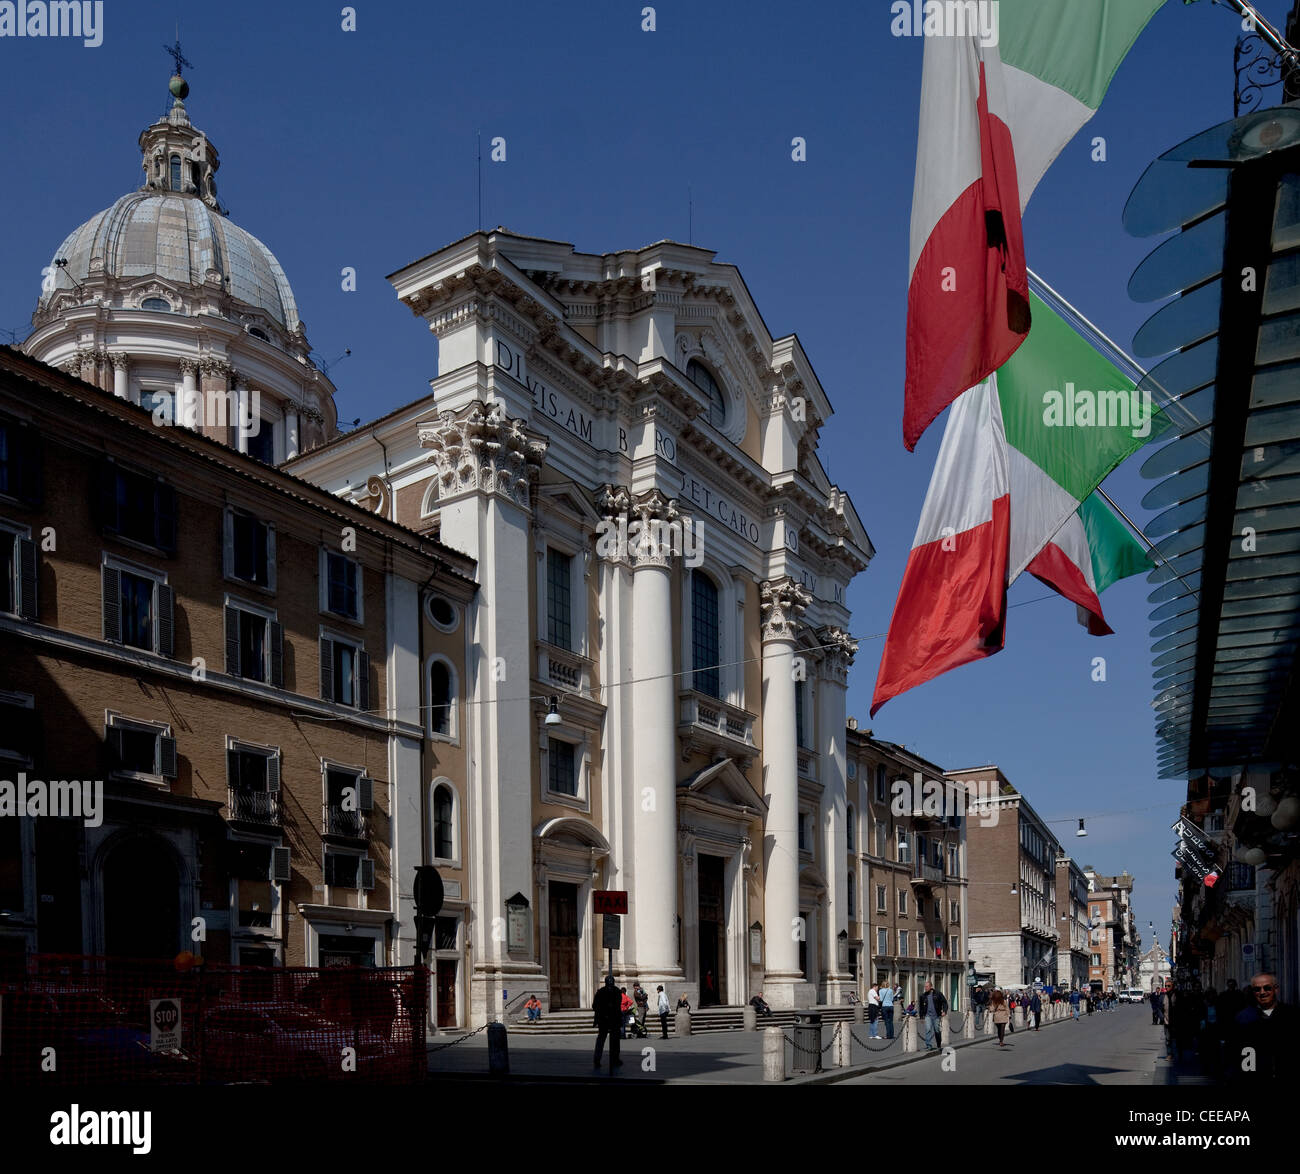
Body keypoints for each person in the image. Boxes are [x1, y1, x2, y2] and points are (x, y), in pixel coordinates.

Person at [1228, 972, 1298, 1082]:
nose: (1262, 992)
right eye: (1257, 989)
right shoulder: (1244, 1019)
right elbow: (1236, 1053)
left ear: (1276, 989)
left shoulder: (1291, 1015)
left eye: (1267, 988)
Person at [592, 976, 624, 1071]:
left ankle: (597, 1060)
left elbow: (594, 1006)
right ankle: (615, 1059)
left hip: (604, 1020)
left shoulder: (600, 992)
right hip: (614, 1020)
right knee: (615, 1041)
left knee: (601, 1040)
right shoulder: (617, 991)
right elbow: (618, 1006)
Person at [920, 980, 948, 1051]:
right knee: (928, 1029)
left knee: (937, 1031)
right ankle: (929, 1046)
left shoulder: (938, 994)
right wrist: (921, 1017)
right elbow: (921, 1007)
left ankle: (939, 1044)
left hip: (936, 1016)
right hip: (927, 1016)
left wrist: (944, 1011)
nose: (925, 988)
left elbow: (944, 1002)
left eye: (927, 986)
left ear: (931, 986)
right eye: (925, 987)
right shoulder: (923, 996)